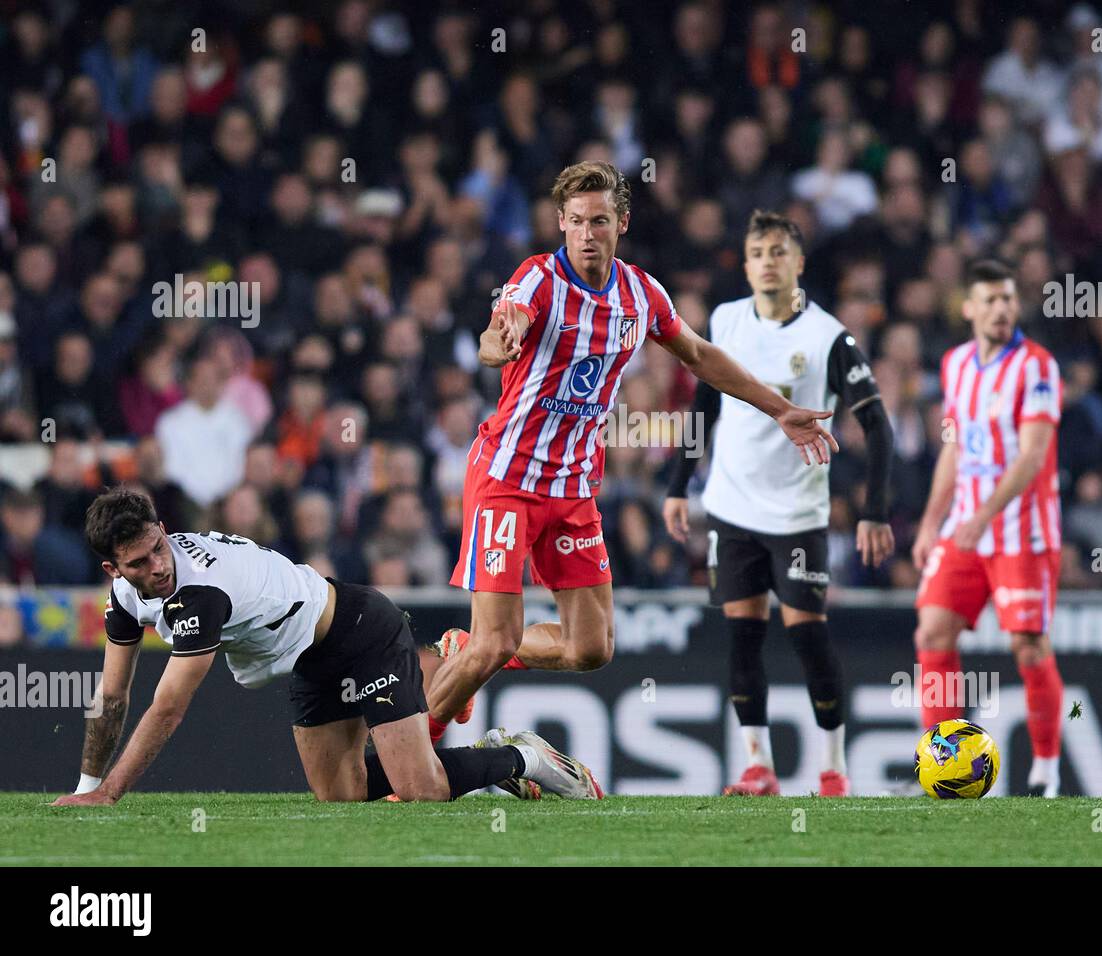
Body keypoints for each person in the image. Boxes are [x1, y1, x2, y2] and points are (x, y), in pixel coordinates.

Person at [423, 161, 839, 744]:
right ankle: (408, 752)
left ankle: (469, 650)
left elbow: (699, 355)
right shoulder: (538, 280)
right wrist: (499, 342)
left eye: (598, 221)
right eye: (575, 221)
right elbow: (500, 328)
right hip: (507, 479)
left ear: (621, 222)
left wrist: (779, 409)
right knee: (498, 639)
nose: (586, 234)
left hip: (573, 488)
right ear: (560, 223)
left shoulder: (640, 293)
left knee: (590, 649)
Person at [52, 487, 601, 807]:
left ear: (163, 528)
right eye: (139, 562)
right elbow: (113, 696)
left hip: (359, 631)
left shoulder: (199, 592)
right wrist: (86, 786)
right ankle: (483, 755)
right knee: (341, 796)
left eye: (158, 547)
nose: (157, 565)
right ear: (113, 570)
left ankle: (526, 758)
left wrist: (110, 794)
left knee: (421, 789)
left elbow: (168, 708)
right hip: (310, 661)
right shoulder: (125, 598)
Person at [662, 210, 895, 796]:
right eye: (758, 253)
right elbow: (703, 408)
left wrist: (874, 511)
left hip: (797, 515)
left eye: (778, 252)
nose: (768, 262)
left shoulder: (828, 337)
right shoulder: (724, 320)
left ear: (799, 263)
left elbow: (878, 425)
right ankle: (758, 766)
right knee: (742, 634)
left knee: (807, 636)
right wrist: (678, 485)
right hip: (731, 508)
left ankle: (834, 769)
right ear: (745, 266)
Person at [911, 260, 1066, 797]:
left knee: (1028, 645)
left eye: (1008, 299)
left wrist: (984, 516)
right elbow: (953, 447)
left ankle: (1046, 770)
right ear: (969, 308)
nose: (1002, 309)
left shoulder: (1037, 366)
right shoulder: (955, 364)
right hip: (965, 528)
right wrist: (931, 523)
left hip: (1022, 530)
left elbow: (1033, 456)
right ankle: (945, 767)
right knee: (932, 632)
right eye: (991, 300)